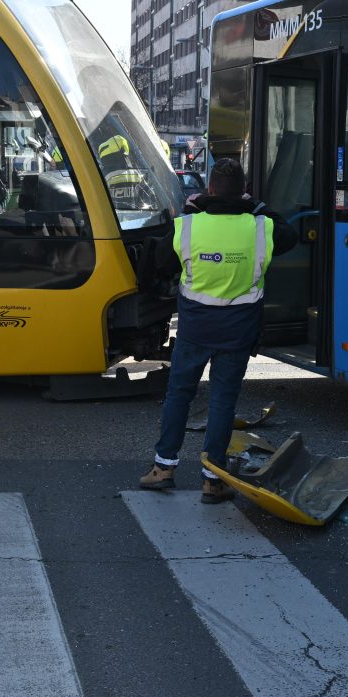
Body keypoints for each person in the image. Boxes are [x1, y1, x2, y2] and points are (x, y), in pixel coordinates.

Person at [138, 158, 296, 503]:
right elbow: (289, 232)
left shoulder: (188, 227)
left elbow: (160, 263)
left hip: (195, 329)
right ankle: (213, 479)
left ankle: (163, 468)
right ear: (244, 192)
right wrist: (258, 206)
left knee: (180, 395)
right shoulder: (261, 228)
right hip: (237, 332)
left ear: (208, 189)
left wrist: (192, 209)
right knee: (223, 401)